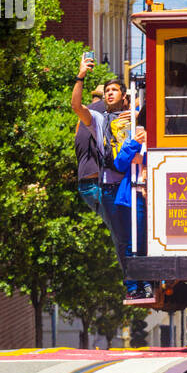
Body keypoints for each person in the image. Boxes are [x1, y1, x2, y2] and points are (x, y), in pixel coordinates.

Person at [70, 57, 133, 264]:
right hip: (108, 187)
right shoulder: (99, 119)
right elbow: (76, 106)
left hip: (133, 185)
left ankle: (143, 281)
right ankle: (132, 284)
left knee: (136, 235)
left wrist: (136, 118)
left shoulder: (134, 116)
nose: (109, 93)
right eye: (106, 91)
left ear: (124, 95)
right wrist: (80, 76)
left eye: (114, 90)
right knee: (122, 237)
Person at [111, 125, 151, 300]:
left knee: (148, 243)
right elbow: (119, 163)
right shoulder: (134, 138)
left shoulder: (162, 139)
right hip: (132, 196)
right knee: (132, 242)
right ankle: (134, 286)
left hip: (152, 196)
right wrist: (134, 143)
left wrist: (143, 160)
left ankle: (148, 282)